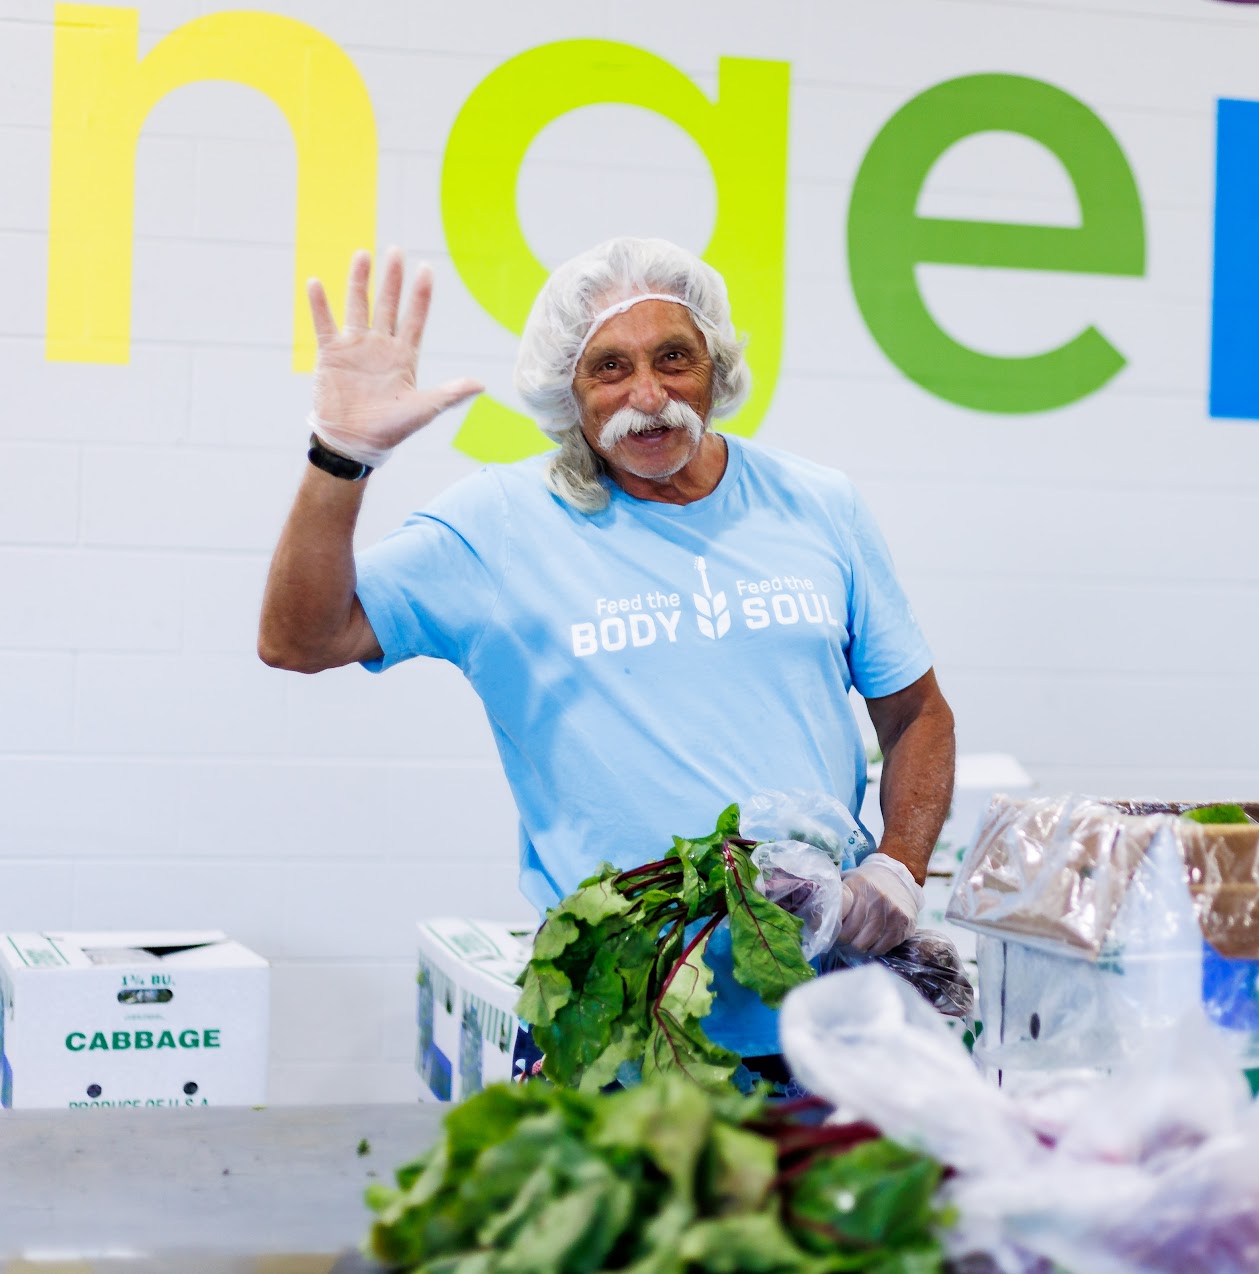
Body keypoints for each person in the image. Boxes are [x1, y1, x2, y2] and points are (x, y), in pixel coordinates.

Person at [259, 238, 954, 955]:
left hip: (823, 983)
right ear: (567, 388)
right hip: (623, 996)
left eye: (674, 358)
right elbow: (298, 640)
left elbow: (918, 714)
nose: (648, 397)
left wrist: (899, 867)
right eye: (610, 367)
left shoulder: (819, 504)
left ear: (717, 366)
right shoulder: (502, 522)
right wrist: (340, 457)